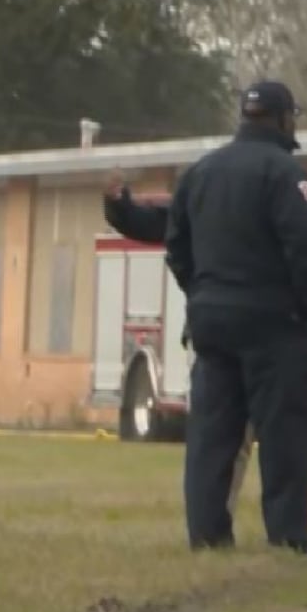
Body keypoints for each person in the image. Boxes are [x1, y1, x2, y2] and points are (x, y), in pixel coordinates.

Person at [164, 81, 307, 556]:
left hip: (212, 319)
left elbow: (176, 244)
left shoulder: (200, 172)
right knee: (285, 432)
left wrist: (200, 291)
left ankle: (208, 534)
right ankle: (288, 534)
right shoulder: (286, 174)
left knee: (213, 432)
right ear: (282, 119)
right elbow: (303, 249)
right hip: (274, 320)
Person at [102, 175, 253, 513]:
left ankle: (218, 518)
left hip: (242, 332)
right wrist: (118, 206)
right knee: (222, 433)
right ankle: (214, 518)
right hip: (217, 335)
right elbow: (153, 223)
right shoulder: (201, 208)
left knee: (239, 437)